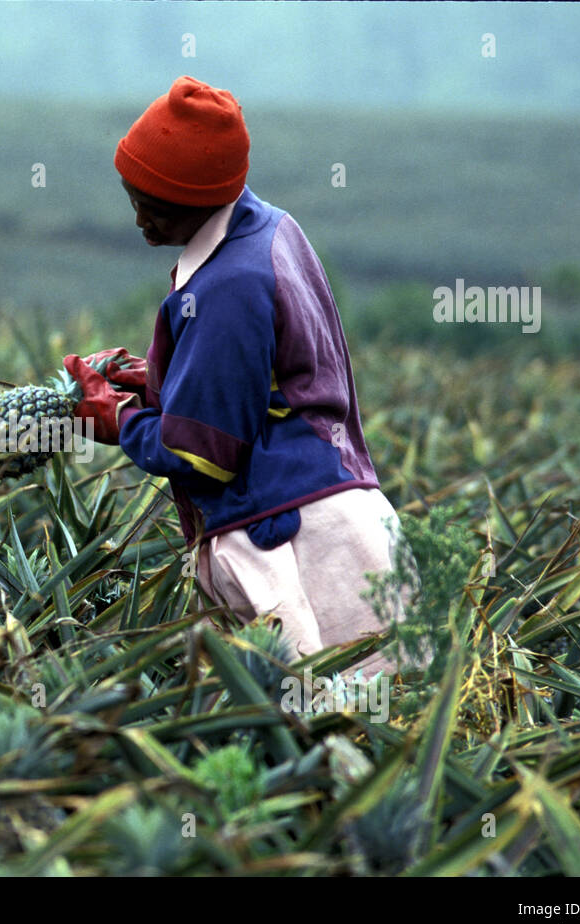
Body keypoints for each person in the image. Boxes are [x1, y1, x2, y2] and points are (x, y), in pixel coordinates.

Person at [63, 76, 414, 679]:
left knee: (320, 732)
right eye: (132, 195)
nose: (138, 217)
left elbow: (202, 454)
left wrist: (117, 418)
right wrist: (160, 379)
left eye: (152, 201)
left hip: (294, 540)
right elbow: (265, 375)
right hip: (349, 516)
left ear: (198, 197)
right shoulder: (272, 228)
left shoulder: (226, 286)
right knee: (390, 719)